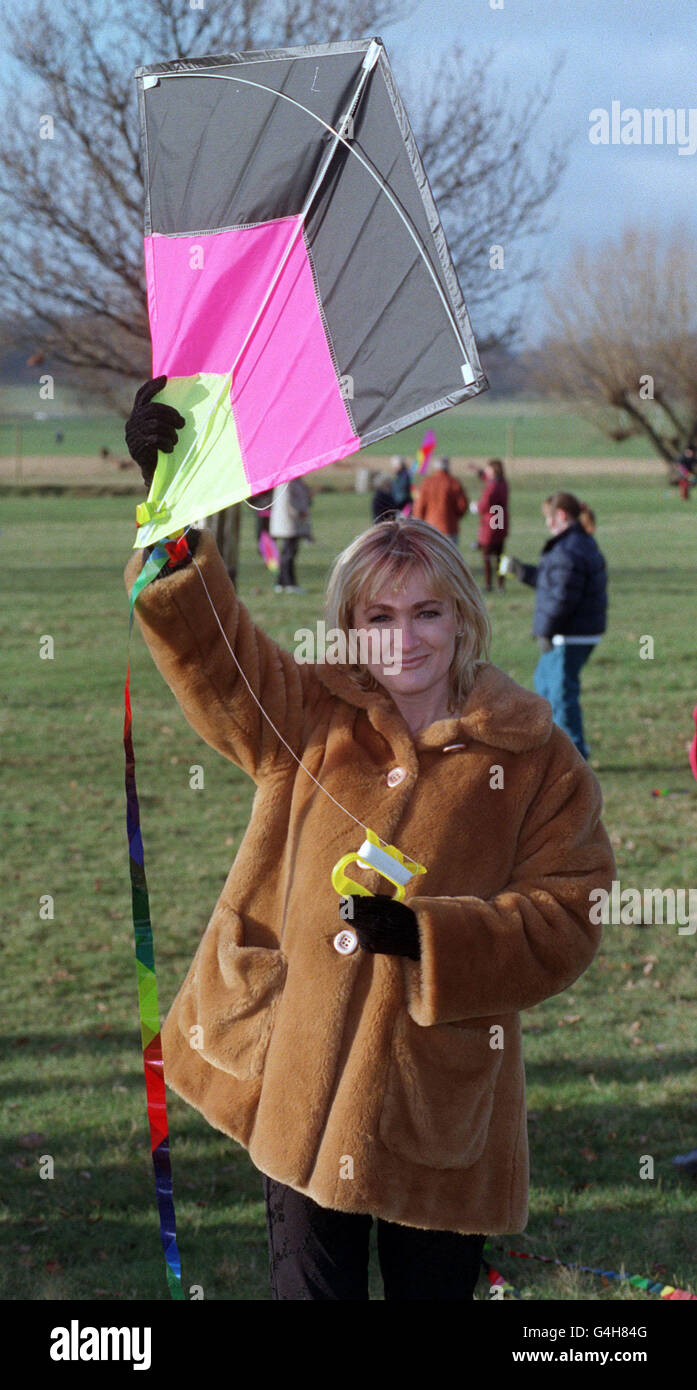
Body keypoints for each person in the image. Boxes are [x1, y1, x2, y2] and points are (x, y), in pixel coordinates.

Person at [124, 381, 615, 1301]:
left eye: (427, 613)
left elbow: (570, 913)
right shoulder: (310, 712)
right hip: (297, 1082)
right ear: (349, 629)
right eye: (378, 619)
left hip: (436, 1103)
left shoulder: (534, 754)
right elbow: (213, 653)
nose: (405, 640)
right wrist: (173, 510)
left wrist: (430, 937)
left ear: (463, 616)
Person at [509, 491, 607, 761]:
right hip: (572, 633)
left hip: (569, 635)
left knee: (561, 697)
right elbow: (553, 582)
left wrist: (546, 631)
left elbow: (563, 597)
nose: (547, 523)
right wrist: (523, 572)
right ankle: (553, 751)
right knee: (545, 687)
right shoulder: (576, 544)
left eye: (548, 517)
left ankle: (575, 756)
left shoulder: (568, 549)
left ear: (561, 515)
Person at [269, 477, 313, 593]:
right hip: (289, 521)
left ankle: (281, 582)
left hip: (290, 521)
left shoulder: (292, 480)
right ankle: (289, 583)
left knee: (287, 552)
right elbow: (289, 501)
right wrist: (300, 511)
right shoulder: (288, 481)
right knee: (289, 553)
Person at [412, 456, 468, 541]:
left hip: (430, 528)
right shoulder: (454, 483)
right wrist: (453, 517)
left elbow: (419, 507)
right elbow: (462, 506)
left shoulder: (427, 483)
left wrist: (419, 524)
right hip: (449, 528)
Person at [474, 458, 509, 593]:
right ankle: (500, 584)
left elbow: (485, 504)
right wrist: (479, 471)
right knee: (499, 554)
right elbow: (487, 479)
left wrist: (476, 506)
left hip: (491, 523)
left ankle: (488, 584)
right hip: (500, 521)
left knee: (487, 555)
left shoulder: (492, 487)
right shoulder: (503, 483)